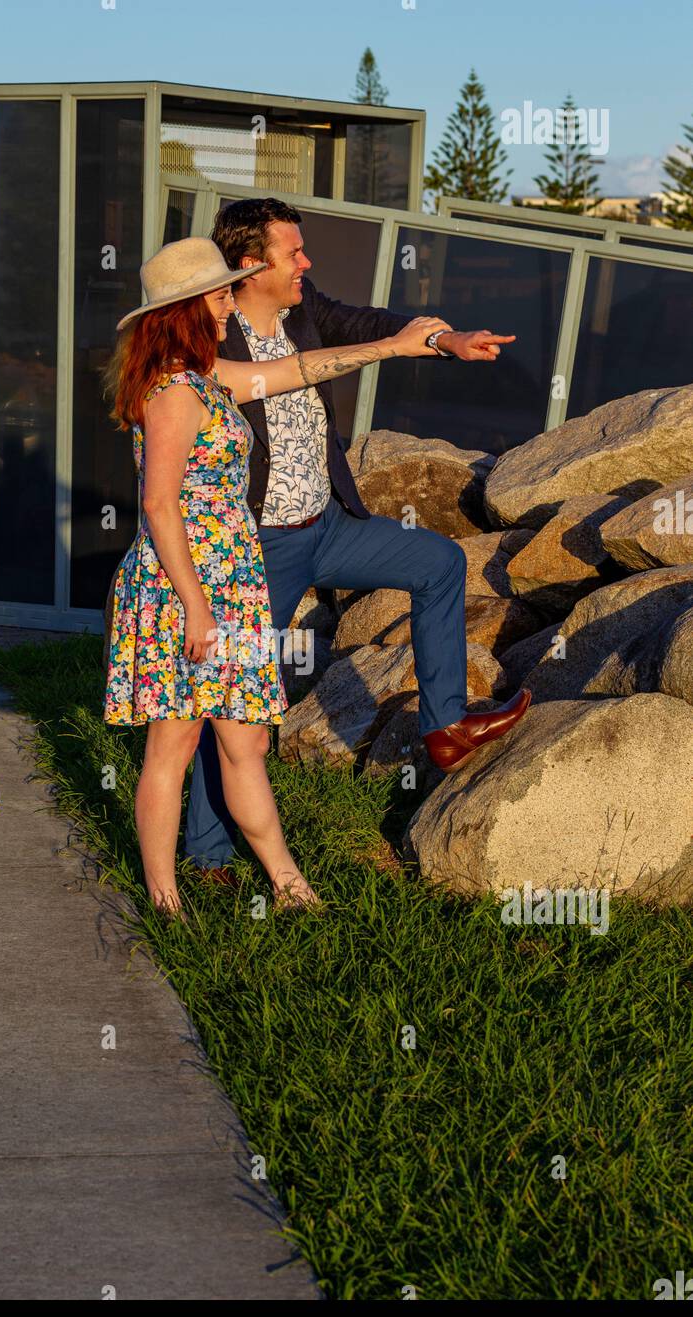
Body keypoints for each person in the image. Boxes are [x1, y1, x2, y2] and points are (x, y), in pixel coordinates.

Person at [100, 236, 454, 916]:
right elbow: (157, 503)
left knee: (247, 740)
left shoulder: (205, 375)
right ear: (191, 306)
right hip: (188, 587)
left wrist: (394, 346)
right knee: (172, 745)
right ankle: (164, 898)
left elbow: (295, 370)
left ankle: (291, 887)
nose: (231, 297)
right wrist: (198, 609)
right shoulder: (174, 391)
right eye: (221, 290)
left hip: (230, 579)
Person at [183, 197, 532, 883]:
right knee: (234, 696)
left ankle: (446, 727)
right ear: (251, 266)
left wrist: (443, 341)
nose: (307, 264)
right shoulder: (209, 338)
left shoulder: (306, 312)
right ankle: (207, 856)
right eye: (294, 253)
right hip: (261, 546)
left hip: (329, 524)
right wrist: (389, 347)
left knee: (437, 562)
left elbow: (376, 322)